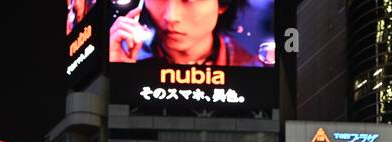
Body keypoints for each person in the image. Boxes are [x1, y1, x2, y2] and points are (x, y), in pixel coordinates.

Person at [110, 0, 271, 66]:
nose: (170, 16)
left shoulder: (252, 67)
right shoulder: (123, 55)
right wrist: (120, 74)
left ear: (222, 5)